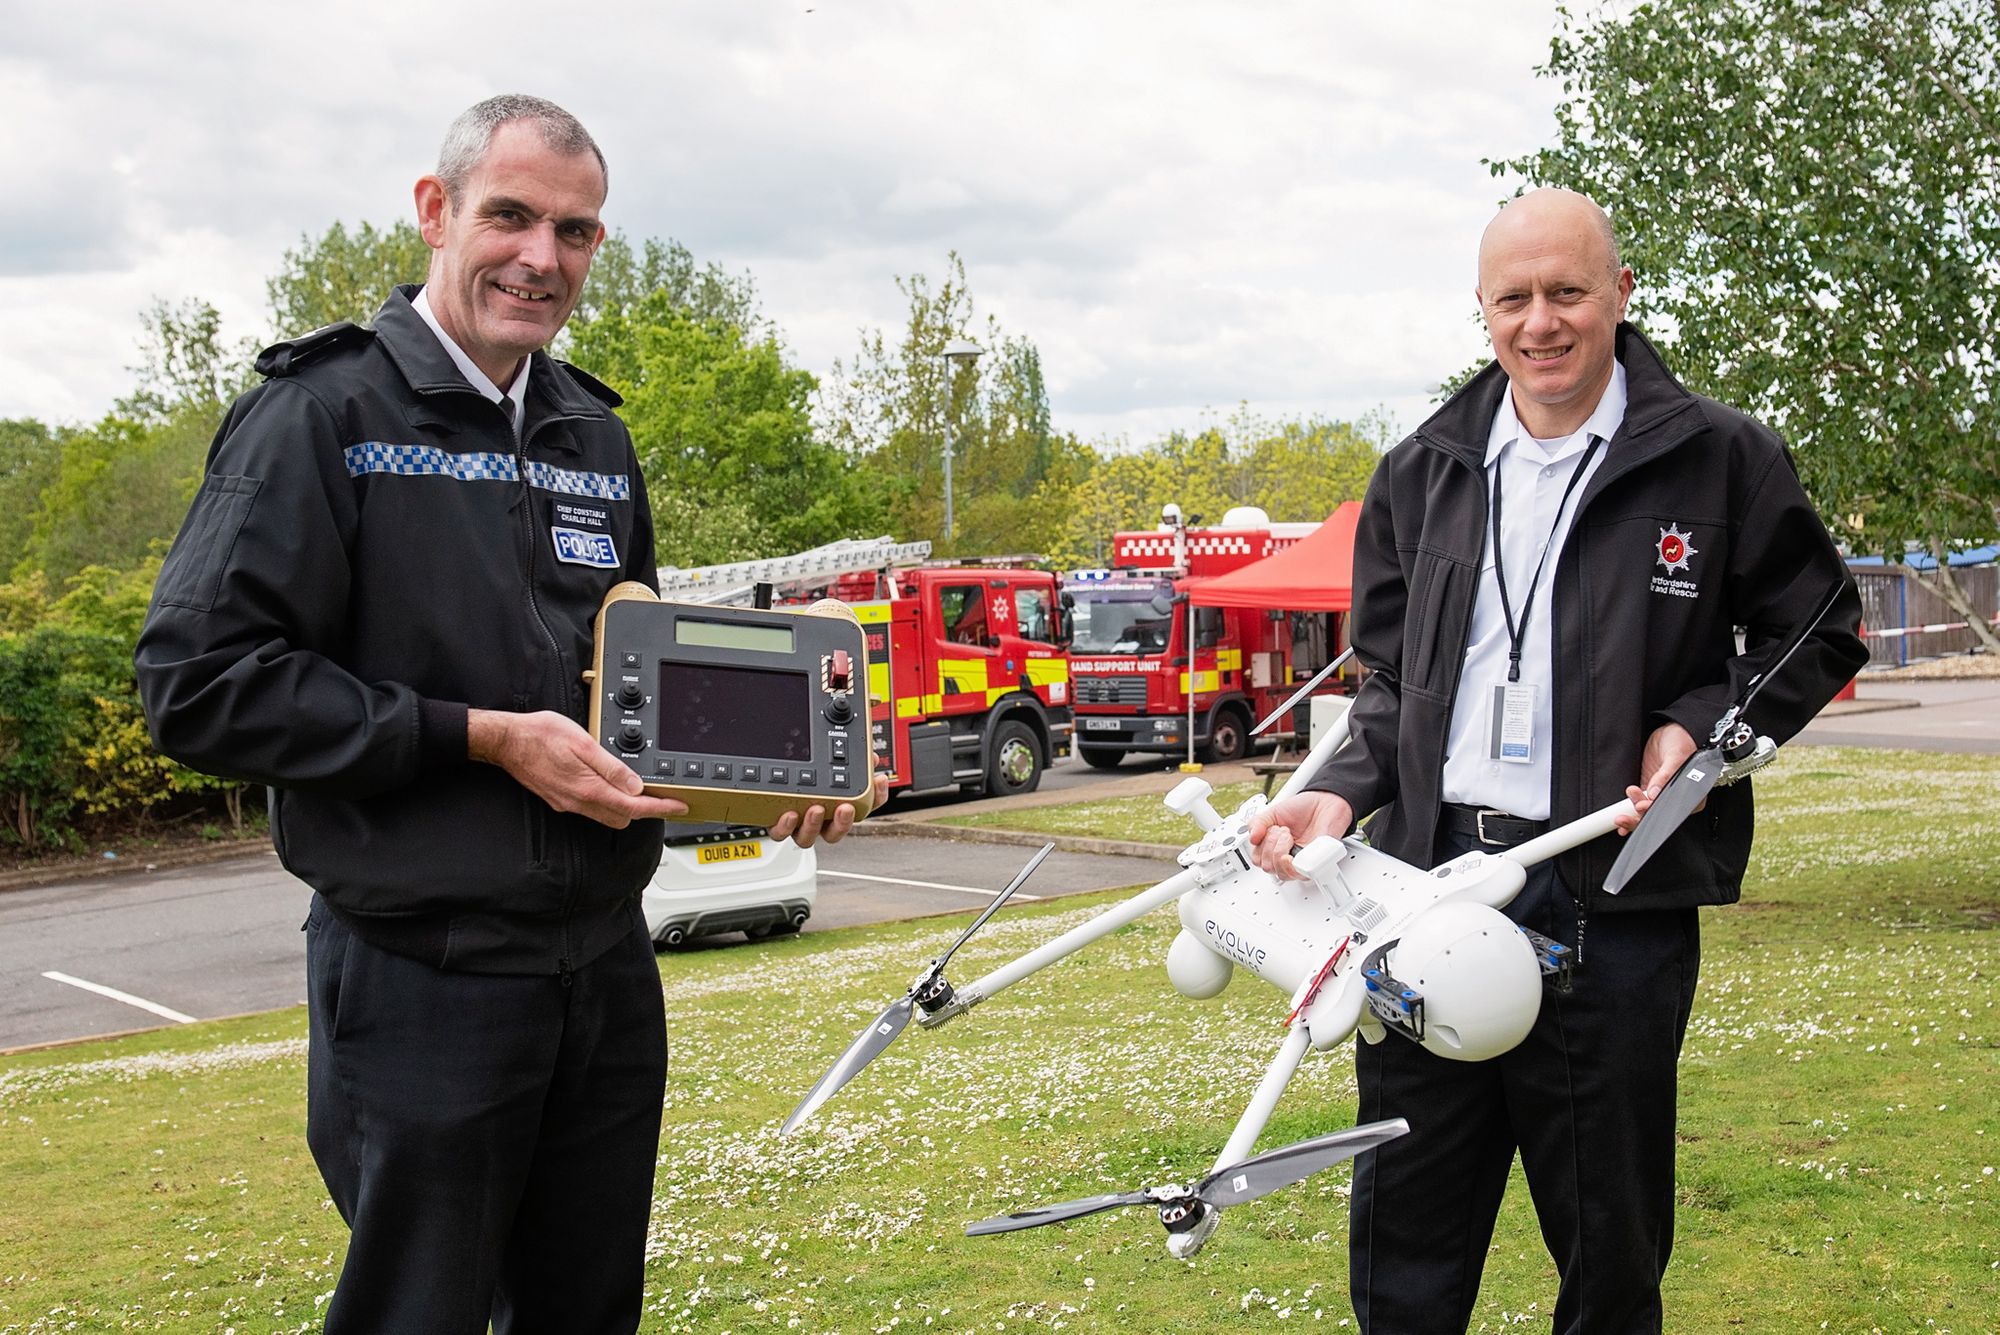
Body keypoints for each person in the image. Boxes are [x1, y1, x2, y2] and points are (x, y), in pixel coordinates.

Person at [135, 95, 877, 1335]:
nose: (543, 258)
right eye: (512, 216)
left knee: (585, 1313)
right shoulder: (322, 417)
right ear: (436, 212)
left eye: (576, 232)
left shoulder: (593, 433)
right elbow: (199, 684)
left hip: (602, 970)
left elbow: (631, 698)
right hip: (425, 976)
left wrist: (777, 777)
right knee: (420, 1314)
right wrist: (477, 736)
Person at [1248, 188, 1865, 1333]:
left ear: (1620, 295)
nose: (1541, 322)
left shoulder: (1719, 458)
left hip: (1605, 911)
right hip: (1422, 899)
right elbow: (1390, 691)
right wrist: (1331, 793)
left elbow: (1818, 627)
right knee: (1406, 1251)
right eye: (1513, 298)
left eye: (1567, 292)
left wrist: (1702, 735)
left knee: (1608, 1257)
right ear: (1480, 311)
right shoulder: (1419, 467)